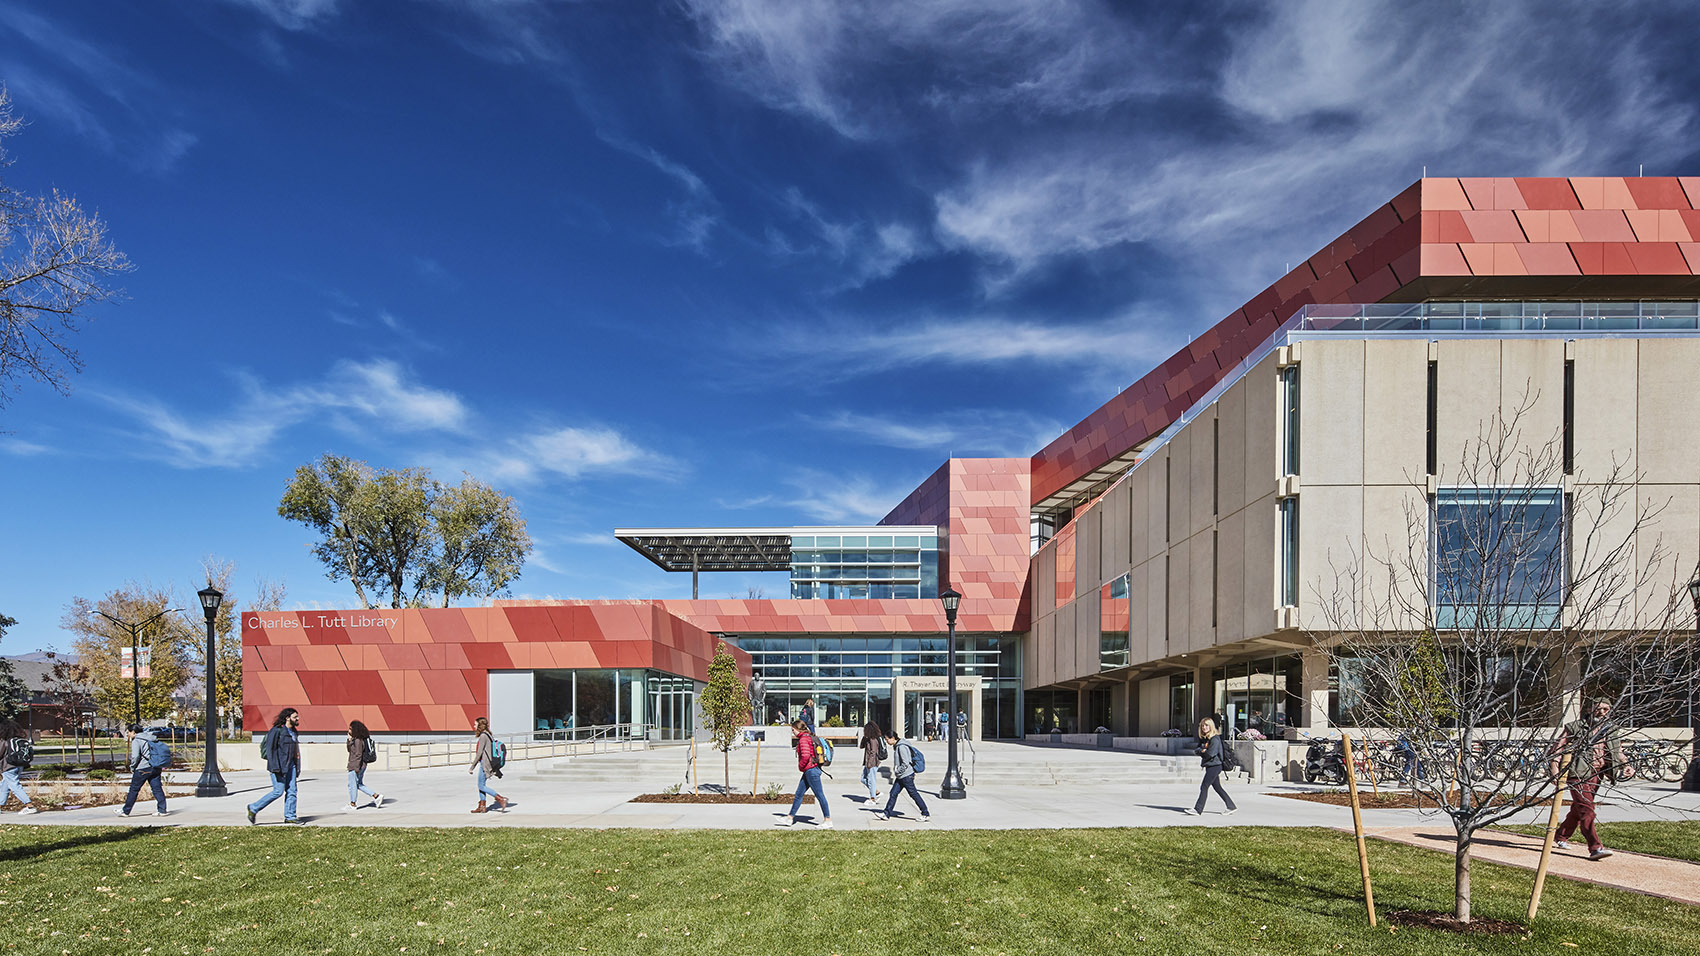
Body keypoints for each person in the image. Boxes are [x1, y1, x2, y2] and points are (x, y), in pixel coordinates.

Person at [1553, 697, 1628, 860]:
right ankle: (1595, 847)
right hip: (1577, 774)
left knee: (1579, 808)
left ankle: (1561, 835)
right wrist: (1554, 769)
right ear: (1589, 709)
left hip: (1597, 774)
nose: (1601, 712)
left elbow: (1618, 751)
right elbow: (1557, 748)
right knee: (1587, 809)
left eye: (1605, 709)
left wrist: (1626, 765)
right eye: (1598, 708)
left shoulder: (1611, 729)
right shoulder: (1575, 727)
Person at [248, 707, 304, 825]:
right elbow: (270, 750)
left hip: (291, 766)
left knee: (292, 791)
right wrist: (275, 767)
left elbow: (295, 750)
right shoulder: (276, 731)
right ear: (287, 718)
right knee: (278, 791)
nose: (298, 719)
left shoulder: (293, 731)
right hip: (278, 766)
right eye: (295, 717)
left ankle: (290, 816)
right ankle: (253, 808)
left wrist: (297, 766)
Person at [777, 718, 831, 828]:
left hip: (810, 770)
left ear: (797, 729)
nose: (793, 732)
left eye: (793, 730)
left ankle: (828, 820)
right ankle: (790, 818)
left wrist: (800, 766)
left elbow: (806, 756)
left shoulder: (803, 740)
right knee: (799, 794)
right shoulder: (809, 737)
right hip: (810, 770)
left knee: (820, 795)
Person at [1186, 717, 1238, 816]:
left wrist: (1202, 751)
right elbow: (1197, 750)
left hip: (1215, 766)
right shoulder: (1206, 739)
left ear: (1211, 726)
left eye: (1206, 725)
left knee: (1204, 786)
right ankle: (1231, 806)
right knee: (1217, 787)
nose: (1204, 727)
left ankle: (1198, 809)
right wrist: (1202, 751)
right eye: (1202, 726)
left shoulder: (1215, 739)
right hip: (1210, 765)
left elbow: (1210, 754)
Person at [873, 730, 929, 822]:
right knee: (893, 793)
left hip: (906, 775)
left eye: (887, 739)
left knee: (913, 794)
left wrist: (898, 771)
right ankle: (886, 814)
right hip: (901, 776)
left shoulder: (902, 747)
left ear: (893, 738)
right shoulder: (898, 746)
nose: (887, 742)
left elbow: (905, 763)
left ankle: (925, 813)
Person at [116, 724, 168, 817]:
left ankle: (125, 811)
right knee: (157, 789)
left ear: (133, 732)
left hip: (143, 768)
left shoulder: (137, 740)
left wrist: (132, 767)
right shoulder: (151, 738)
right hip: (156, 767)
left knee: (134, 790)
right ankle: (162, 810)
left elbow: (135, 756)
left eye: (129, 732)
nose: (128, 734)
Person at [469, 717, 508, 813]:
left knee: (481, 786)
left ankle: (500, 799)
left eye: (475, 724)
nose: (474, 726)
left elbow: (479, 753)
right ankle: (482, 807)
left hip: (485, 764)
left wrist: (472, 767)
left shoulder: (483, 736)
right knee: (481, 785)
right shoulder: (488, 735)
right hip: (486, 763)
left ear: (480, 725)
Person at [346, 720, 383, 811]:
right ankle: (376, 796)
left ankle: (353, 804)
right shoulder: (355, 740)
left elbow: (358, 755)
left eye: (351, 729)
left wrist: (356, 768)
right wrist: (349, 740)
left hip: (356, 765)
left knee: (352, 785)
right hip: (358, 765)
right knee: (358, 784)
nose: (349, 730)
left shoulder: (358, 741)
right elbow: (349, 750)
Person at [0, 728, 38, 815]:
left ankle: (30, 806)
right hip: (19, 765)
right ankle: (0, 805)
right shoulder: (19, 740)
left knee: (15, 786)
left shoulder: (4, 741)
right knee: (4, 786)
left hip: (8, 766)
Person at [859, 719, 883, 803]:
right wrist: (864, 738)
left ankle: (873, 798)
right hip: (868, 762)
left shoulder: (873, 740)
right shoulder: (868, 739)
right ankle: (876, 792)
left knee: (871, 780)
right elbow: (861, 746)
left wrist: (869, 763)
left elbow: (873, 752)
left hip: (872, 763)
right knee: (863, 779)